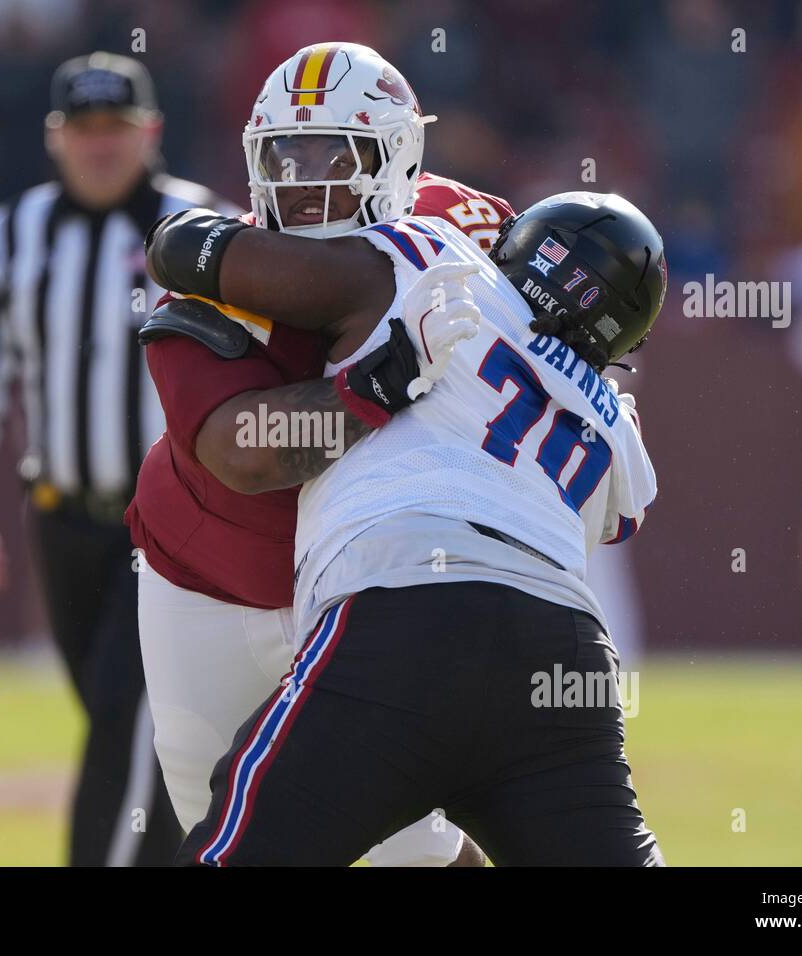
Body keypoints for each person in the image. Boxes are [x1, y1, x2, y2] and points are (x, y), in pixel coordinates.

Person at [150, 185, 667, 865]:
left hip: (406, 611)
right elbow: (619, 516)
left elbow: (187, 253)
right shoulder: (616, 432)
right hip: (562, 652)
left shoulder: (435, 259)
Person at [128, 43, 515, 865]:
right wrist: (380, 383)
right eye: (287, 154)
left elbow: (552, 279)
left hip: (364, 583)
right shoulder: (217, 278)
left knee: (413, 848)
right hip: (213, 584)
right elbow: (246, 450)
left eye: (335, 152)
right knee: (223, 830)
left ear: (397, 154)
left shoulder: (460, 225)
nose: (306, 177)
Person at [0, 51, 235, 866]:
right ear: (55, 138)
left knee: (126, 722)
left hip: (173, 531)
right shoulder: (14, 231)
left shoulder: (203, 226)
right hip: (63, 522)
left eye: (118, 127)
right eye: (84, 128)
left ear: (152, 132)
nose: (101, 146)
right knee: (133, 734)